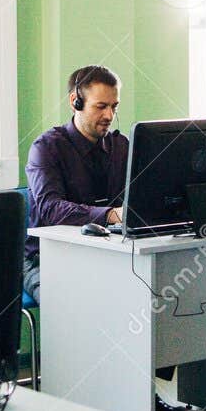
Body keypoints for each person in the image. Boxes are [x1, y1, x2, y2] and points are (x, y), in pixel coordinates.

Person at [23, 64, 128, 304]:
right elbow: (50, 209)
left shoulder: (121, 146)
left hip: (105, 253)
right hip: (46, 258)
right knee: (69, 305)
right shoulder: (46, 148)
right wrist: (110, 215)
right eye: (101, 106)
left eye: (114, 107)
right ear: (75, 102)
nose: (109, 116)